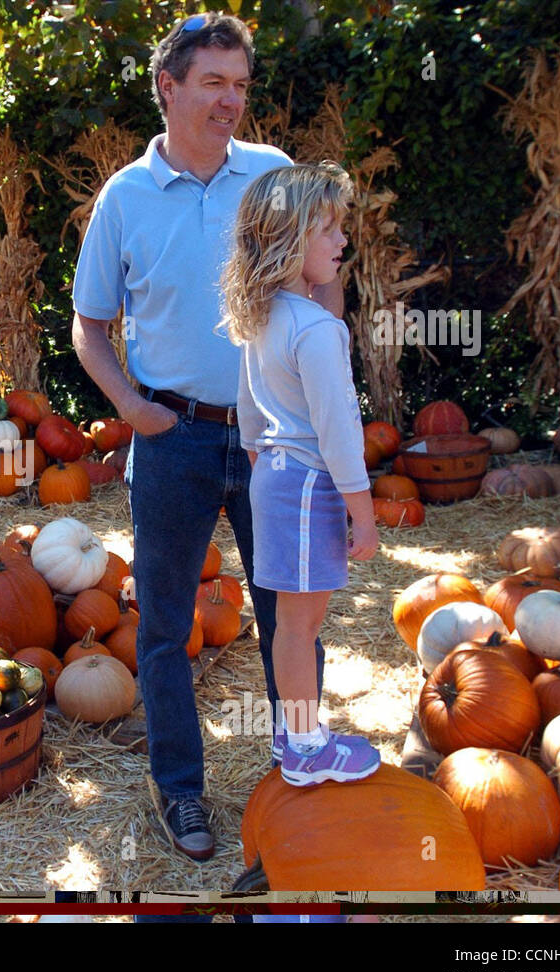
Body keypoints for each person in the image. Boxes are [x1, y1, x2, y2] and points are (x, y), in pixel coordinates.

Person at [72, 12, 342, 863]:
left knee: (287, 614)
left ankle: (294, 772)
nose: (231, 101)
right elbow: (88, 325)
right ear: (170, 86)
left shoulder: (273, 177)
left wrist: (316, 374)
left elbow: (324, 281)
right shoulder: (125, 197)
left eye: (241, 85)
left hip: (274, 442)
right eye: (214, 83)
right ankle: (181, 789)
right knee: (163, 624)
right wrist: (132, 407)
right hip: (173, 437)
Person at [226, 161, 380, 784]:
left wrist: (260, 452)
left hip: (277, 476)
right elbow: (340, 431)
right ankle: (307, 750)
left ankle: (295, 734)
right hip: (311, 480)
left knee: (291, 620)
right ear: (290, 240)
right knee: (300, 624)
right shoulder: (316, 331)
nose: (342, 241)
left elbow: (244, 401)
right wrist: (363, 514)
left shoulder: (266, 318)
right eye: (328, 229)